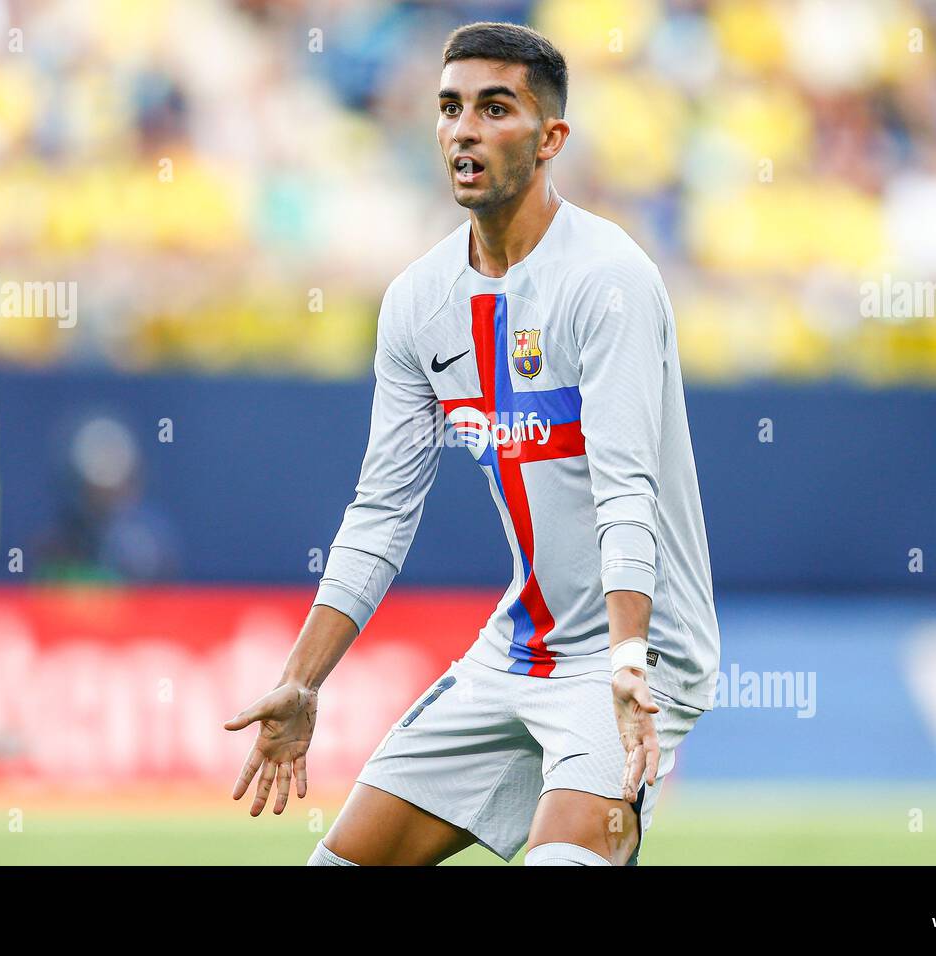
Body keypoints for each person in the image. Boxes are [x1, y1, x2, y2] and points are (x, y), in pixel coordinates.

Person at [226, 20, 719, 866]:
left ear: (551, 137)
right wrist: (303, 682)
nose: (465, 130)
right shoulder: (419, 302)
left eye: (496, 109)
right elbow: (381, 510)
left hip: (634, 651)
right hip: (519, 647)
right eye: (451, 108)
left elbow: (626, 489)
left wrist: (632, 656)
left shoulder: (608, 281)